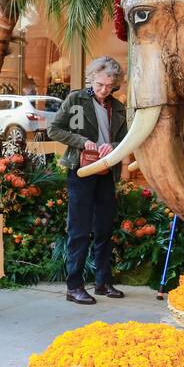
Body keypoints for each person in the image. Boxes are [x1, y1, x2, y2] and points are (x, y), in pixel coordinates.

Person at [47, 56, 128, 304]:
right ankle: (74, 286)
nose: (104, 90)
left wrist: (111, 147)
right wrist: (83, 143)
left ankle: (103, 283)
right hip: (80, 172)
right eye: (100, 84)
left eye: (109, 86)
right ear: (91, 78)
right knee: (79, 230)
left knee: (104, 228)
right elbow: (54, 130)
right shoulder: (76, 100)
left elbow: (125, 139)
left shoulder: (119, 107)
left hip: (106, 171)